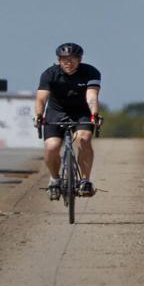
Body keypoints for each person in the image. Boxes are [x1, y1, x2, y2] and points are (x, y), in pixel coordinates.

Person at [34, 43, 102, 198]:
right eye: (64, 59)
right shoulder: (49, 74)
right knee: (52, 146)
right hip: (56, 112)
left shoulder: (90, 72)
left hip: (81, 112)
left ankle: (85, 180)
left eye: (73, 59)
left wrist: (94, 114)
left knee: (84, 139)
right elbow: (41, 98)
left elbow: (91, 97)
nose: (68, 63)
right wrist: (39, 115)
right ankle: (55, 179)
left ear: (80, 60)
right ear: (59, 60)